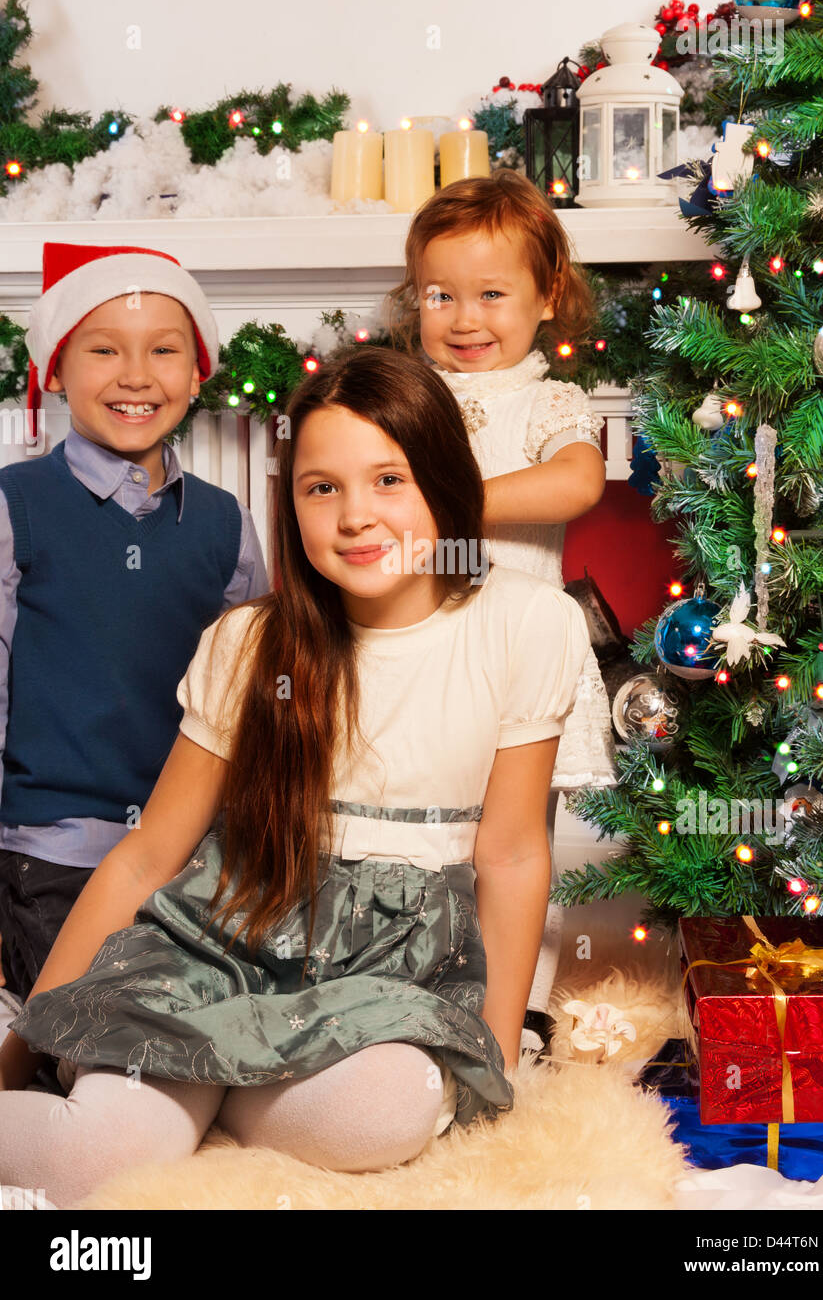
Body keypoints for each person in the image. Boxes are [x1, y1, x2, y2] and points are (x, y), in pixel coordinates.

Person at [0, 346, 589, 1207]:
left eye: (390, 480)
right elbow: (146, 856)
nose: (356, 516)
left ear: (447, 482)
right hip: (222, 945)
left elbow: (507, 855)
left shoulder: (526, 623)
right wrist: (39, 1030)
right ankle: (171, 1085)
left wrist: (496, 1054)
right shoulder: (250, 644)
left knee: (387, 1111)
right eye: (322, 488)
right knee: (98, 1156)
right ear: (292, 506)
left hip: (396, 972)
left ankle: (212, 1094)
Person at [0, 242, 269, 1088]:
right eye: (104, 349)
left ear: (199, 374)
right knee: (92, 1068)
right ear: (55, 369)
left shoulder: (226, 523)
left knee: (202, 1065)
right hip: (53, 856)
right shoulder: (18, 507)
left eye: (163, 349)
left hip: (193, 861)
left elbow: (253, 699)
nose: (135, 374)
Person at [386, 172, 618, 1058]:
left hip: (516, 657)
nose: (464, 317)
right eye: (441, 295)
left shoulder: (549, 401)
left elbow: (576, 480)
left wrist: (450, 499)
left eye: (492, 294)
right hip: (419, 650)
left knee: (515, 844)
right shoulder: (408, 397)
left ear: (546, 296)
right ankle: (418, 992)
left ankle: (517, 1006)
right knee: (424, 829)